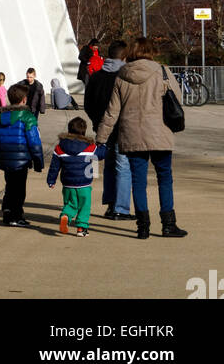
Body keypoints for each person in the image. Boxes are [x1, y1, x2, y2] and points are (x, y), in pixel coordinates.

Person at [96, 37, 187, 239]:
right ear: (151, 51)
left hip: (132, 135)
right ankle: (168, 224)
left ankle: (142, 226)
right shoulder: (162, 71)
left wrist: (101, 138)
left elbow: (112, 111)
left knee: (138, 181)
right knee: (164, 177)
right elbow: (177, 98)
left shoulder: (122, 75)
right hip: (159, 133)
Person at [84, 40, 131, 221]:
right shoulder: (125, 77)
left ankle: (111, 204)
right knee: (123, 167)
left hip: (101, 128)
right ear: (124, 56)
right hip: (122, 128)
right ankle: (121, 208)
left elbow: (88, 104)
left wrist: (98, 121)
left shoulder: (96, 77)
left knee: (110, 166)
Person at [0, 81, 44, 227]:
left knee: (10, 186)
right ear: (24, 99)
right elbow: (34, 142)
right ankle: (16, 216)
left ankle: (7, 212)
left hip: (6, 158)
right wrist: (38, 161)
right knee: (19, 189)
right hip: (21, 160)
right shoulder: (27, 117)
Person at [46, 116, 108, 237]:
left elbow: (54, 166)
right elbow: (101, 155)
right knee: (84, 205)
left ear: (69, 131)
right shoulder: (90, 147)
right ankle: (81, 228)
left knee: (70, 203)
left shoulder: (59, 147)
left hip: (68, 182)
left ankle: (66, 215)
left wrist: (51, 180)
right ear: (84, 131)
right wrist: (103, 145)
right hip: (84, 182)